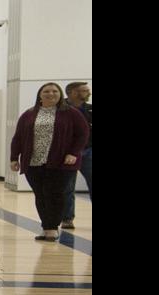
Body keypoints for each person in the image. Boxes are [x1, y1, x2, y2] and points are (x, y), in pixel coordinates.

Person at [9, 82, 89, 240]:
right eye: (47, 91)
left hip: (61, 162)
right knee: (41, 194)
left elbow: (83, 134)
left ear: (60, 94)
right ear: (40, 94)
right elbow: (18, 137)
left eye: (55, 91)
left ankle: (52, 228)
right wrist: (14, 158)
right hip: (34, 161)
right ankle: (46, 227)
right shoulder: (29, 114)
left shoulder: (71, 113)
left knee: (55, 193)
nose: (51, 94)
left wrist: (73, 153)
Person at [64, 81, 92, 229]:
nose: (88, 93)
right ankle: (67, 218)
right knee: (68, 187)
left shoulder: (90, 109)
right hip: (67, 153)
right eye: (85, 90)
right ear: (73, 92)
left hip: (88, 151)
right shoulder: (60, 108)